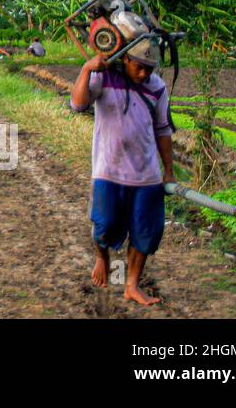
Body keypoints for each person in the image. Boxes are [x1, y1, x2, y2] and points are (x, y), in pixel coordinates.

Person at [70, 36, 175, 306]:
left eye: (149, 69)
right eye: (139, 67)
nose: (144, 74)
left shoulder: (157, 87)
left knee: (145, 233)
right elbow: (78, 104)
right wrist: (86, 69)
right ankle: (101, 256)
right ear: (126, 59)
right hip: (109, 170)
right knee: (104, 225)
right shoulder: (104, 78)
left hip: (147, 175)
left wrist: (169, 171)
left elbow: (163, 130)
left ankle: (132, 285)